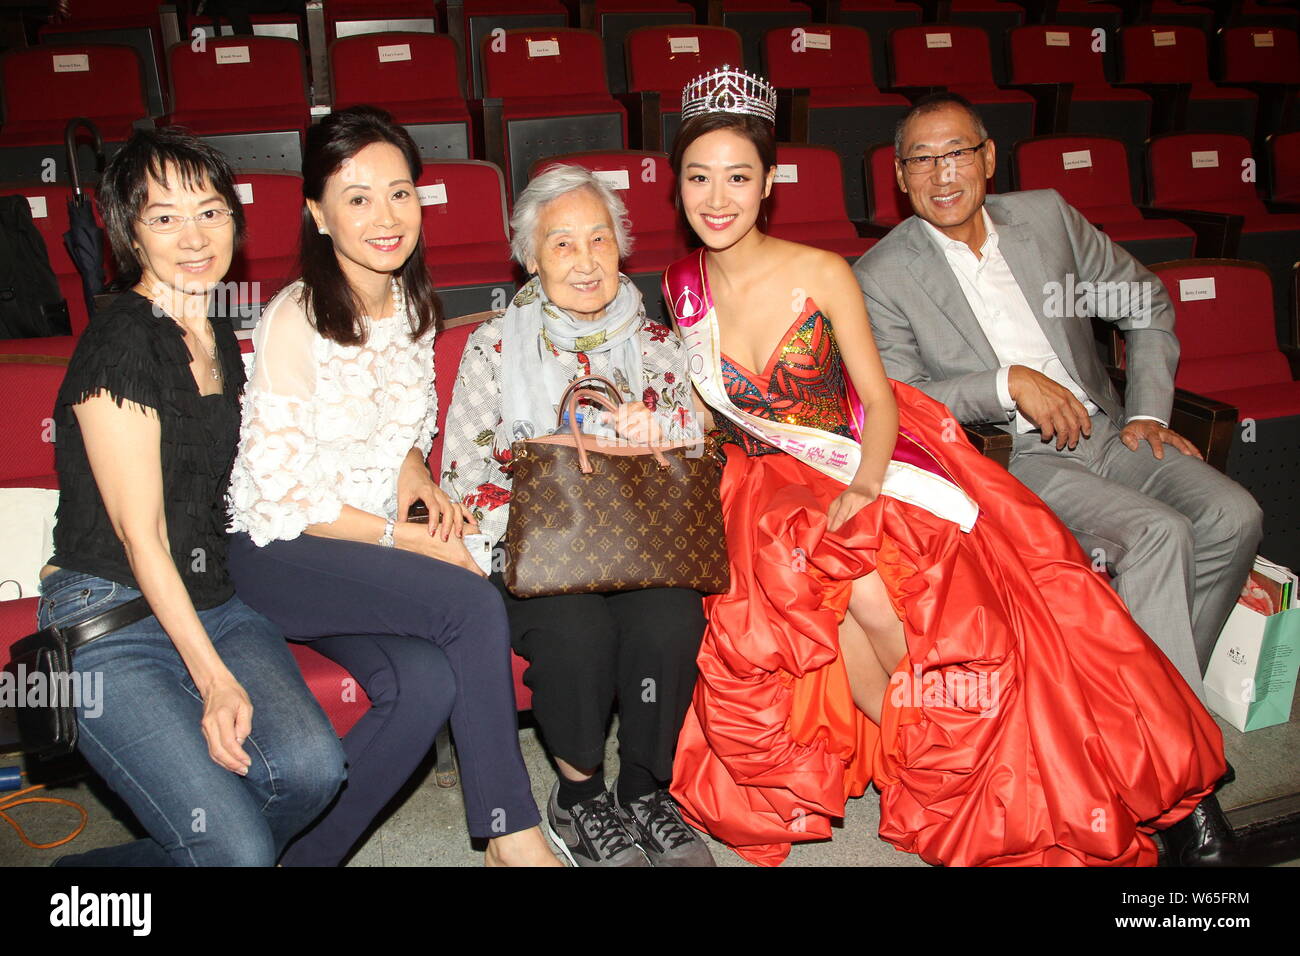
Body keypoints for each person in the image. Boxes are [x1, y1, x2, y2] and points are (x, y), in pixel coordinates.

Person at [661, 68, 1231, 867]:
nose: (716, 197)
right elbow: (710, 408)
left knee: (941, 608)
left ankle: (1019, 767)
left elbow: (881, 399)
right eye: (698, 177)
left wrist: (863, 485)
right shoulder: (680, 287)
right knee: (828, 585)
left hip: (866, 459)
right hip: (764, 486)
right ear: (676, 184)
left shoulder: (823, 271)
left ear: (768, 185)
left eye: (737, 177)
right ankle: (935, 769)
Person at [226, 106, 557, 867]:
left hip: (355, 550)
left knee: (423, 683)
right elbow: (279, 493)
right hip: (280, 550)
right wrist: (403, 538)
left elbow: (407, 428)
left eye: (401, 193)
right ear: (317, 213)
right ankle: (511, 836)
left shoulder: (407, 303)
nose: (386, 217)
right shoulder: (294, 321)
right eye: (358, 197)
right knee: (470, 601)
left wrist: (415, 481)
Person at [854, 92, 1263, 699]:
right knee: (1160, 533)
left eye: (958, 153)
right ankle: (1167, 747)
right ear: (899, 175)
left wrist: (1148, 410)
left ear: (988, 157)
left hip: (1107, 428)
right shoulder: (880, 274)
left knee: (1234, 516)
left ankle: (1159, 707)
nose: (943, 174)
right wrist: (1007, 382)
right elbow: (900, 393)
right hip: (1015, 457)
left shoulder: (1046, 218)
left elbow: (1142, 302)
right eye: (921, 160)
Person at [38, 126, 345, 866]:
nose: (193, 236)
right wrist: (213, 682)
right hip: (106, 614)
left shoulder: (216, 327)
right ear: (128, 234)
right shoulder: (121, 341)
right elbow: (141, 538)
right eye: (163, 216)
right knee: (234, 848)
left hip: (210, 596)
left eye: (210, 211)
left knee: (312, 772)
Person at [439, 164, 714, 867]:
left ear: (621, 247)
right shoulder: (494, 345)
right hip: (535, 548)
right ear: (530, 258)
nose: (586, 260)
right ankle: (581, 796)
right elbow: (461, 481)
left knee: (669, 618)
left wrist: (663, 434)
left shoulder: (658, 344)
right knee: (578, 632)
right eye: (562, 244)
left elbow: (700, 449)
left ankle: (645, 789)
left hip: (642, 542)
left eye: (600, 239)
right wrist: (552, 464)